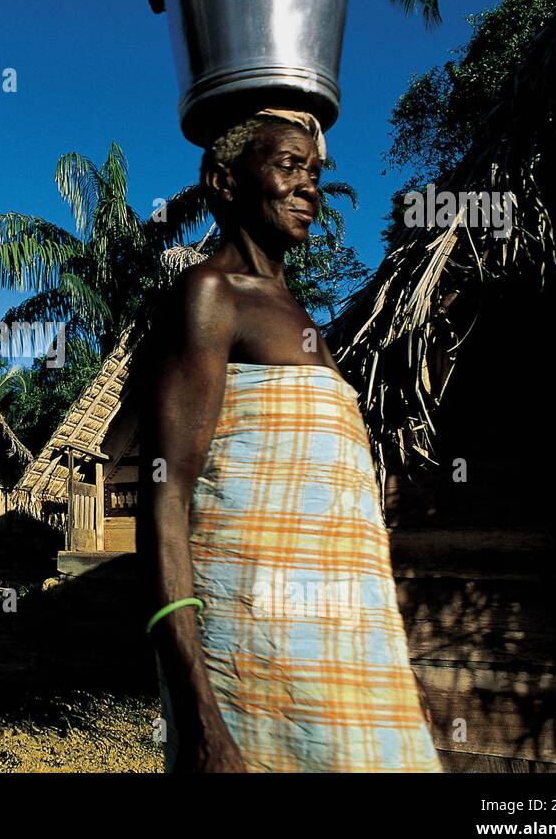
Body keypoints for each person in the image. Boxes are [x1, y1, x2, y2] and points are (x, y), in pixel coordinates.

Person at [138, 110, 441, 773]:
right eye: (286, 165)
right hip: (254, 659)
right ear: (223, 181)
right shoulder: (211, 295)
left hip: (346, 656)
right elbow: (165, 502)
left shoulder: (297, 315)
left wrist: (395, 664)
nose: (309, 187)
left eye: (315, 171)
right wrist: (200, 713)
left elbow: (344, 527)